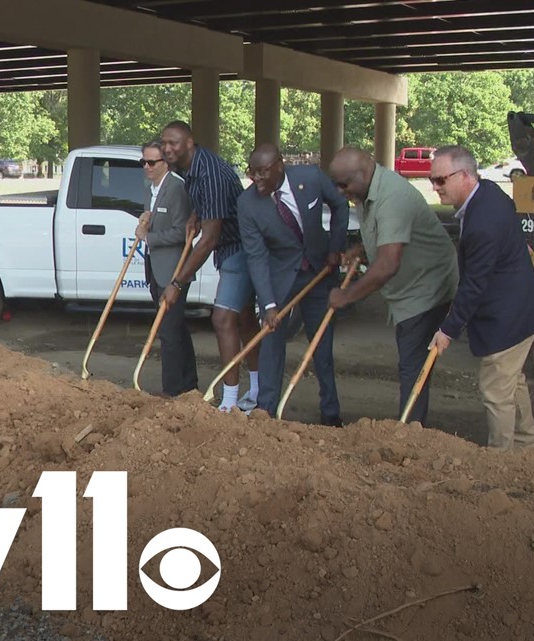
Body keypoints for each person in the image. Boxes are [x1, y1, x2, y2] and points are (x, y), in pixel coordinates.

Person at [427, 145, 534, 450]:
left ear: (464, 175)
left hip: (508, 317)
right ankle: (526, 448)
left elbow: (474, 285)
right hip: (521, 307)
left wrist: (447, 330)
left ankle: (500, 460)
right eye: (432, 180)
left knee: (495, 390)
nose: (435, 187)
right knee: (511, 382)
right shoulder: (490, 193)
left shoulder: (482, 223)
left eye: (440, 180)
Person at [327, 147, 458, 426]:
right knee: (412, 361)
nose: (339, 191)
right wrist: (363, 250)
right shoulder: (365, 191)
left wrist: (347, 296)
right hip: (411, 285)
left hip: (426, 286)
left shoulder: (392, 197)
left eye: (343, 184)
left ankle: (410, 432)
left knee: (413, 363)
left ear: (362, 174)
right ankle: (411, 426)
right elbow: (386, 237)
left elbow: (387, 265)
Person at [237, 143, 349, 426]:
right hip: (280, 277)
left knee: (321, 345)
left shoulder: (310, 177)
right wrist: (268, 304)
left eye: (263, 172)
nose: (256, 179)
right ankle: (266, 411)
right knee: (271, 344)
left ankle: (331, 412)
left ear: (279, 165)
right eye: (252, 172)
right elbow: (256, 256)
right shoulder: (247, 203)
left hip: (319, 272)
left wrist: (336, 247)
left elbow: (339, 205)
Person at [158, 121, 261, 412]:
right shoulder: (189, 168)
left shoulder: (209, 172)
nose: (167, 148)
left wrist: (177, 283)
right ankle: (258, 390)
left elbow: (209, 239)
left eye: (174, 143)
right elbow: (211, 204)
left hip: (239, 248)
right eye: (164, 142)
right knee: (244, 318)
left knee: (222, 319)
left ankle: (229, 401)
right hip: (230, 248)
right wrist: (197, 213)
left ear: (190, 143)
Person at [134, 140, 197, 397]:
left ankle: (172, 391)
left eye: (152, 162)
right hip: (155, 268)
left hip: (174, 271)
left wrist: (149, 237)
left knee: (168, 331)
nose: (147, 167)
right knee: (176, 328)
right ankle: (189, 385)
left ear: (165, 163)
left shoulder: (176, 188)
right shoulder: (151, 188)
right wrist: (145, 222)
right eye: (144, 162)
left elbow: (184, 232)